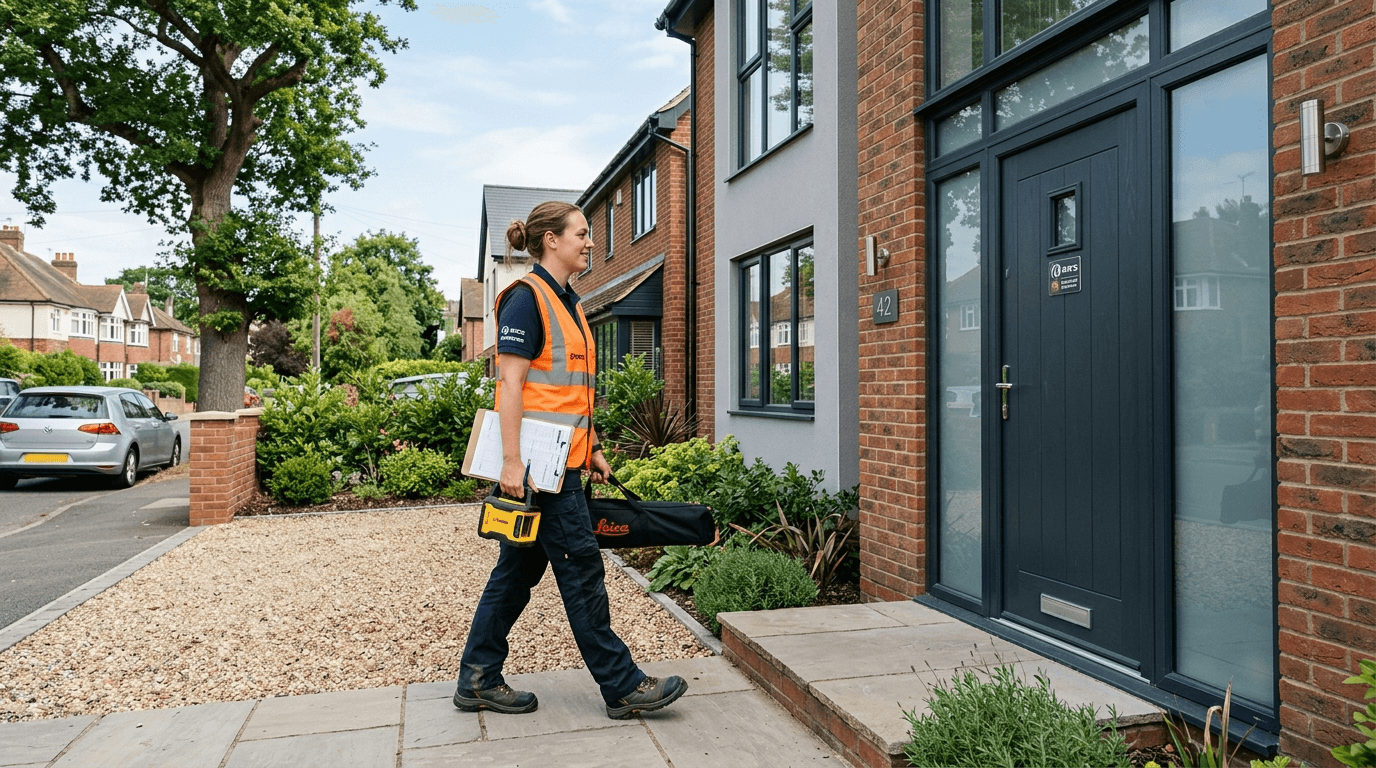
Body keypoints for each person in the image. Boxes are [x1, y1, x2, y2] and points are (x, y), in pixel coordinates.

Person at [453, 201, 687, 720]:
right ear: (551, 241)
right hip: (539, 473)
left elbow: (575, 393)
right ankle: (623, 686)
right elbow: (509, 383)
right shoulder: (525, 299)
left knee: (514, 577)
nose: (589, 242)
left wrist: (596, 447)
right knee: (582, 572)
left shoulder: (573, 304)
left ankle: (477, 677)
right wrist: (511, 463)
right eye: (581, 234)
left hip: (567, 465)